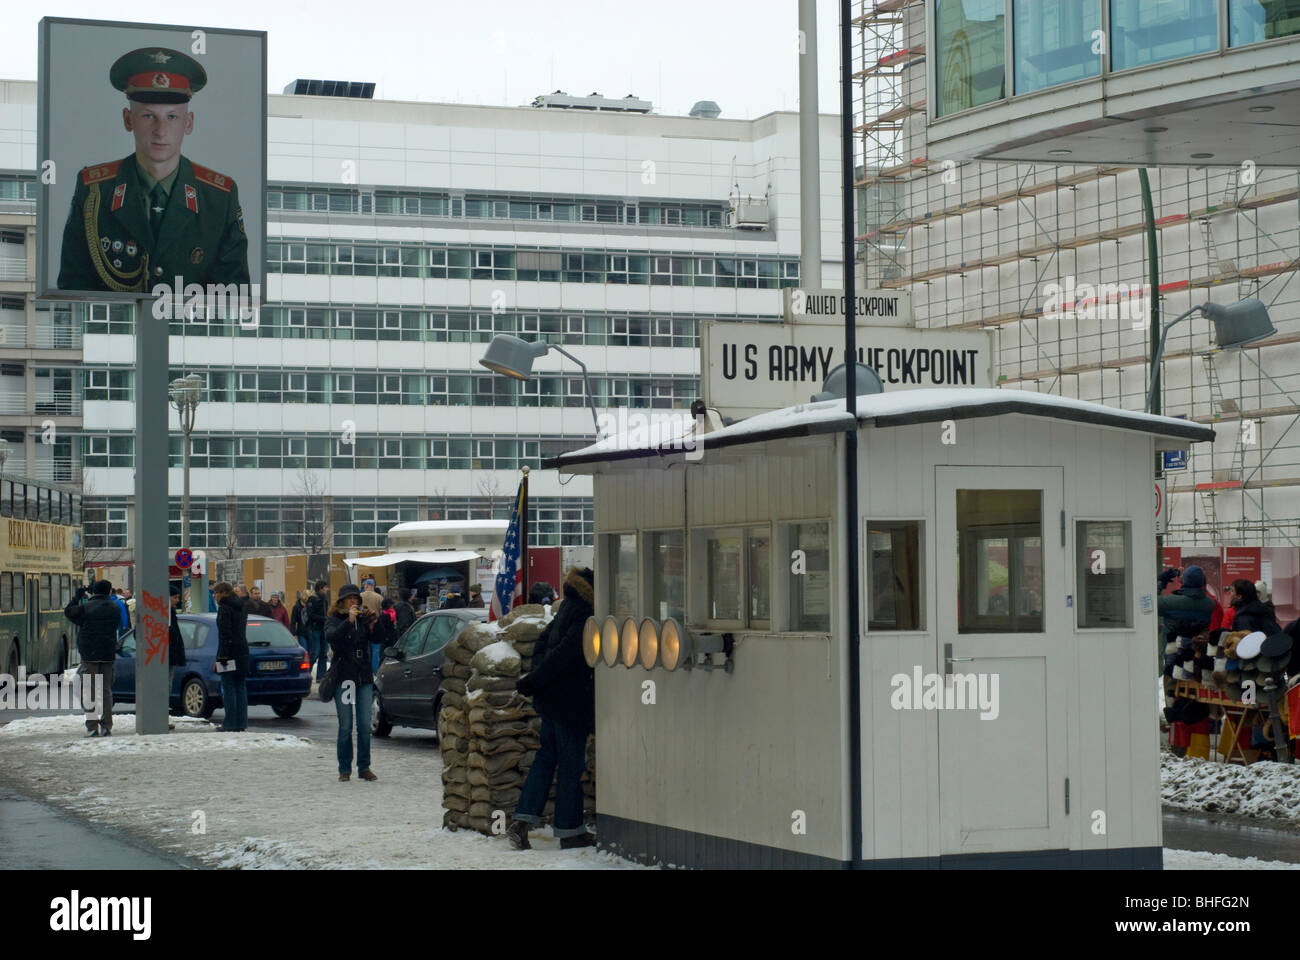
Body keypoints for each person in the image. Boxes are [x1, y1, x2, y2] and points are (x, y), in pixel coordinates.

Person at [58, 47, 249, 293]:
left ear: (188, 123)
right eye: (148, 116)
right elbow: (72, 289)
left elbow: (233, 297)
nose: (160, 130)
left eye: (172, 117)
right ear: (128, 120)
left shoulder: (219, 197)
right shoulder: (95, 190)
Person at [508, 567, 596, 850]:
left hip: (551, 700)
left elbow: (544, 643)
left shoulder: (567, 606)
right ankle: (570, 832)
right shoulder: (585, 614)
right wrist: (535, 681)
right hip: (571, 702)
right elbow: (565, 654)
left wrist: (536, 679)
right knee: (571, 766)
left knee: (546, 759)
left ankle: (522, 821)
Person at [325, 584, 378, 782]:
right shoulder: (334, 620)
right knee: (346, 725)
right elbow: (332, 637)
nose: (353, 602)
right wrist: (349, 620)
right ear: (341, 602)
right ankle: (344, 768)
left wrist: (375, 622)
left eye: (356, 599)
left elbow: (379, 637)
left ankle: (364, 766)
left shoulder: (363, 620)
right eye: (349, 599)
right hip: (345, 675)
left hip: (362, 674)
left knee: (364, 724)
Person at [63, 580, 122, 737]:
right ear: (109, 592)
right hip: (108, 654)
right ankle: (107, 726)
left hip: (90, 654)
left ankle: (92, 727)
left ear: (94, 592)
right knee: (106, 691)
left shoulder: (86, 607)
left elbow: (69, 612)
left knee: (88, 691)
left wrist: (77, 597)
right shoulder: (115, 608)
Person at [213, 581, 249, 732]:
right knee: (240, 687)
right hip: (242, 651)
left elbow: (225, 635)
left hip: (229, 653)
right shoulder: (241, 606)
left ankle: (230, 723)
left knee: (228, 687)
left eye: (215, 593)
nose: (214, 596)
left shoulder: (224, 609)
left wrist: (221, 656)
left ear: (222, 593)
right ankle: (241, 722)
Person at [168, 585, 187, 720]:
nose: (177, 600)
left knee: (95, 685)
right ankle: (97, 721)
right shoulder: (167, 614)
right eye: (174, 597)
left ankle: (94, 723)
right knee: (97, 687)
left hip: (92, 659)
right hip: (167, 655)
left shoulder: (170, 613)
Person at [305, 580, 329, 682]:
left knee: (324, 653)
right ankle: (306, 673)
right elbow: (310, 615)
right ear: (320, 588)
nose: (327, 590)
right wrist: (323, 619)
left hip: (324, 629)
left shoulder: (325, 599)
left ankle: (321, 676)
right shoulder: (312, 599)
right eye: (325, 588)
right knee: (315, 652)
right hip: (315, 629)